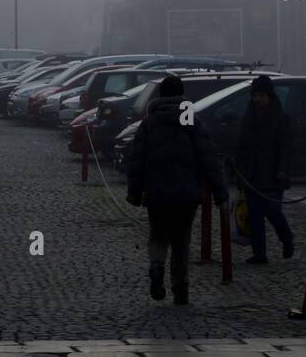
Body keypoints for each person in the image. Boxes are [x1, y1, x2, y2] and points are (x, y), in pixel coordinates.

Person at [126, 74, 228, 305]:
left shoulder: (149, 122)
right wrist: (220, 193)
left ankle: (156, 265)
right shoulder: (192, 120)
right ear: (182, 95)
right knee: (181, 242)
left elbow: (137, 159)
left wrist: (134, 192)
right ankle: (180, 289)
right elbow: (208, 159)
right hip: (186, 194)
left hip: (157, 193)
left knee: (158, 237)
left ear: (160, 95)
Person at [234, 74, 294, 265]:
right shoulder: (248, 116)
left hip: (272, 173)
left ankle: (286, 238)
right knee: (255, 216)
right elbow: (242, 146)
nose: (258, 99)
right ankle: (260, 254)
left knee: (274, 212)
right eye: (255, 95)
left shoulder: (280, 118)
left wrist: (282, 170)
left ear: (269, 96)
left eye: (261, 95)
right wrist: (239, 170)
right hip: (251, 173)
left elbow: (286, 148)